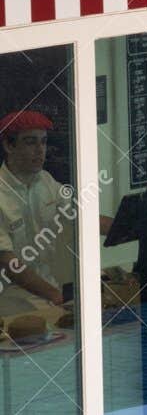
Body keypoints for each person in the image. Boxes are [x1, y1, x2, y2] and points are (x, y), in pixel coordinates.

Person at [0, 109, 73, 312]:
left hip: (49, 290)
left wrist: (129, 226)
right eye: (31, 142)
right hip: (9, 296)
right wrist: (56, 297)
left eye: (43, 141)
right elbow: (8, 263)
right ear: (9, 145)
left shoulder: (46, 180)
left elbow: (80, 217)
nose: (40, 150)